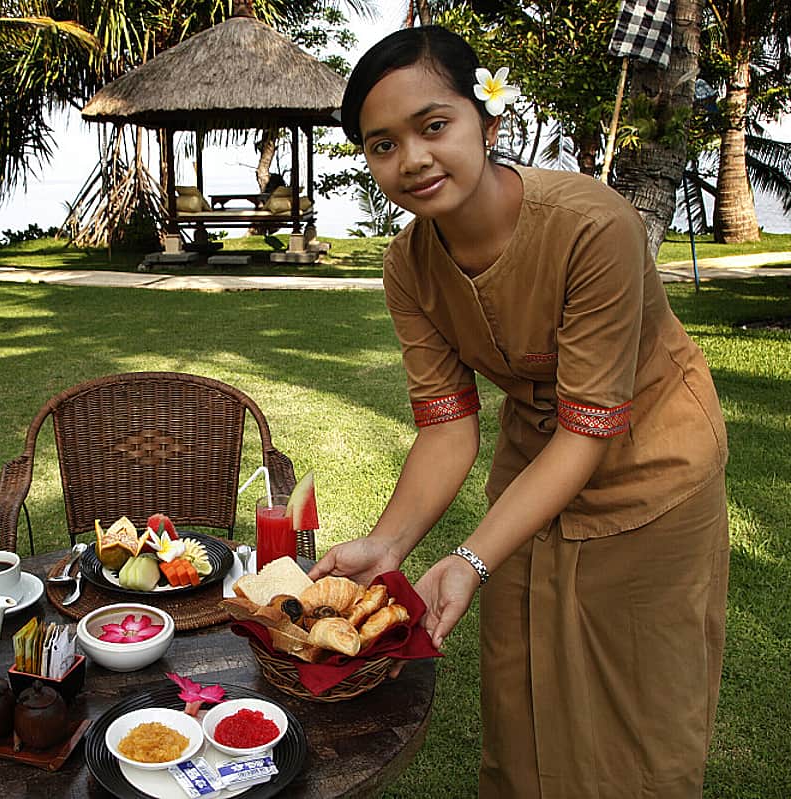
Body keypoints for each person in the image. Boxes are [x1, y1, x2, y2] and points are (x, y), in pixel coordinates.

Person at [309, 26, 729, 798]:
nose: (414, 159)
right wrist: (389, 543)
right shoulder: (407, 265)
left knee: (639, 711)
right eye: (383, 144)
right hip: (536, 460)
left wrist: (469, 559)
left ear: (488, 124)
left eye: (434, 126)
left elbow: (589, 427)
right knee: (522, 690)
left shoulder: (595, 226)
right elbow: (446, 425)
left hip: (651, 465)